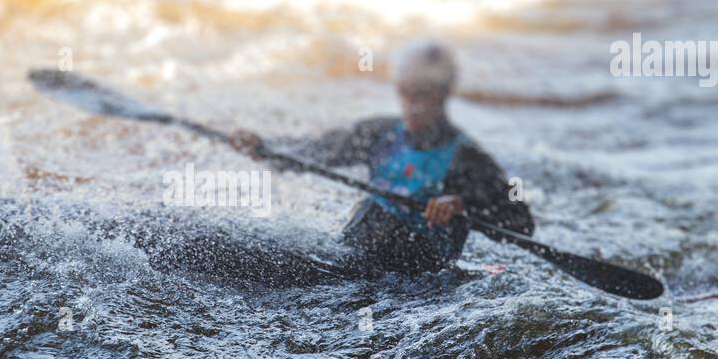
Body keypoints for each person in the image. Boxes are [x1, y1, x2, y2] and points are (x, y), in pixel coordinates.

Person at [228, 39, 533, 275]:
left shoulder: (468, 160)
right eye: (407, 93)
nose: (413, 106)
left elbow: (521, 223)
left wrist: (462, 204)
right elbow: (313, 151)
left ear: (442, 95)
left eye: (424, 95)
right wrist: (264, 147)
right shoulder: (379, 134)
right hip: (352, 256)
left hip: (415, 279)